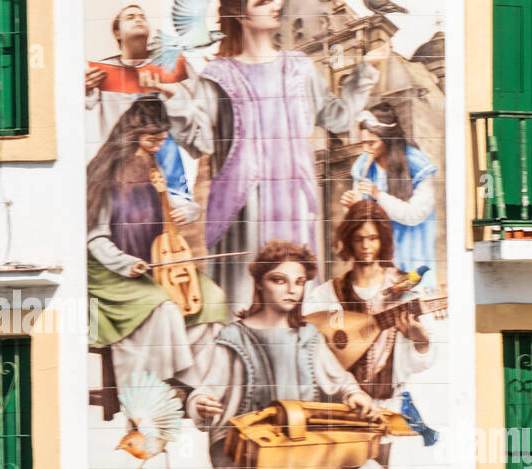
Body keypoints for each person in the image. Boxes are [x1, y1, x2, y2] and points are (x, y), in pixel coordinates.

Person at [140, 0, 388, 310]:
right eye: (262, 1)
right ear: (240, 13)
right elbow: (198, 139)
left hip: (294, 205)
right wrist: (175, 96)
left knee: (296, 300)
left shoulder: (300, 67)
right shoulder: (218, 76)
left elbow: (336, 117)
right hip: (245, 208)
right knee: (248, 301)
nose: (276, 5)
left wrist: (367, 71)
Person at [181, 240, 388, 469]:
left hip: (303, 443)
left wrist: (354, 394)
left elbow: (341, 382)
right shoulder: (234, 337)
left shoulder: (309, 336)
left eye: (300, 282)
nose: (292, 290)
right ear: (259, 283)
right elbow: (207, 390)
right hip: (242, 448)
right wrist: (199, 403)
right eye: (279, 280)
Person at [86, 96, 228, 387]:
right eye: (151, 140)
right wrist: (125, 263)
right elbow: (95, 237)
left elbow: (180, 202)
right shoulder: (105, 176)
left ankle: (200, 382)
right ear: (132, 136)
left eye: (162, 140)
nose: (157, 146)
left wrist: (185, 209)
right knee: (161, 306)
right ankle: (166, 381)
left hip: (154, 263)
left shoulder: (155, 168)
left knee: (212, 298)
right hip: (109, 270)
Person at [301, 199, 435, 461]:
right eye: (359, 238)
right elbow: (306, 344)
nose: (365, 246)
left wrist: (420, 339)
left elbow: (419, 364)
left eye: (373, 238)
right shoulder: (326, 294)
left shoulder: (403, 290)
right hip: (341, 413)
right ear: (349, 240)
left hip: (386, 408)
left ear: (382, 240)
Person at [84, 3, 192, 203]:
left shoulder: (170, 66)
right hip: (120, 171)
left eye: (142, 16)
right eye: (130, 17)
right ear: (117, 32)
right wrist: (86, 87)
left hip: (167, 170)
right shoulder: (103, 71)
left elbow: (194, 103)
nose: (138, 19)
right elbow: (86, 104)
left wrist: (164, 88)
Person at [342, 102, 438, 292]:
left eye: (372, 143)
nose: (366, 149)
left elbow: (414, 215)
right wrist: (353, 207)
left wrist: (378, 195)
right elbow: (363, 218)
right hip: (380, 254)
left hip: (413, 249)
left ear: (388, 139)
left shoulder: (416, 163)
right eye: (363, 143)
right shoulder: (363, 165)